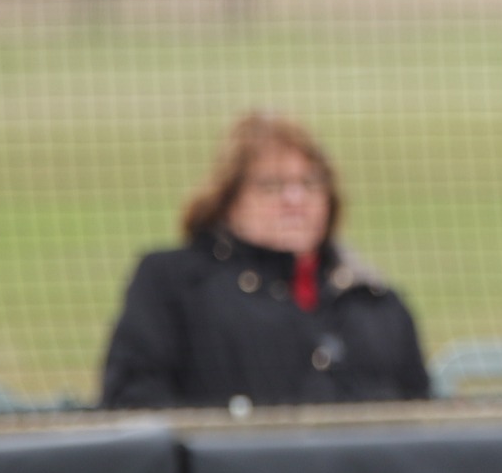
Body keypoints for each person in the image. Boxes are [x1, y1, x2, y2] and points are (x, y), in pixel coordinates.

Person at [101, 110, 431, 408]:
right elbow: (132, 404)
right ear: (229, 201)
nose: (295, 199)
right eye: (271, 186)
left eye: (310, 183)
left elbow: (423, 427)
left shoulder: (375, 303)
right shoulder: (176, 286)